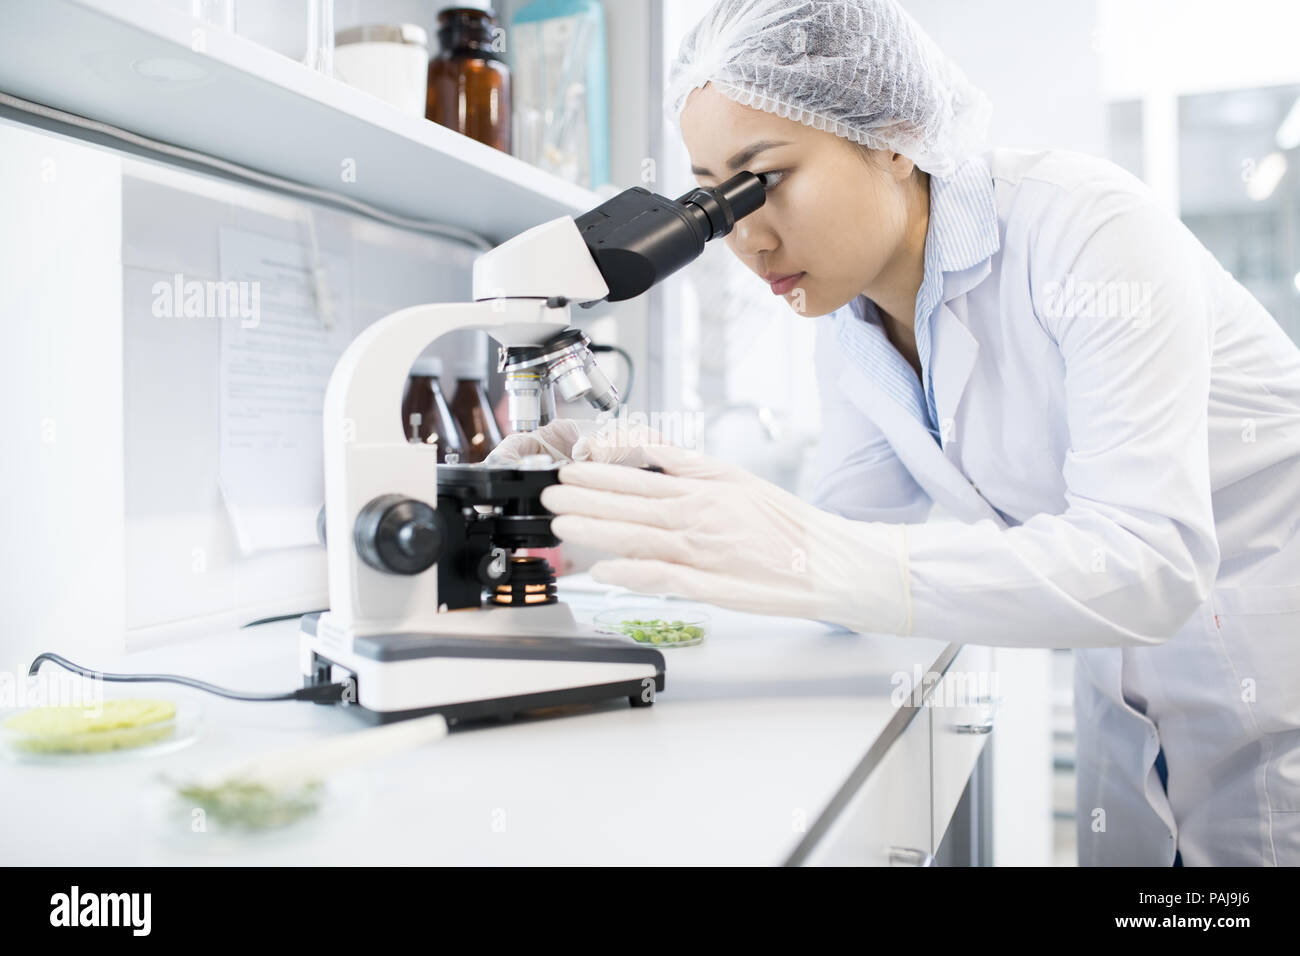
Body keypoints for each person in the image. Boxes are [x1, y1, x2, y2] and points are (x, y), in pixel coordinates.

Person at [487, 0, 1300, 866]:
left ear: (896, 133)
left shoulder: (1085, 229)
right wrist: (647, 494)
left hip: (1265, 668)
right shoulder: (852, 323)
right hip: (1129, 686)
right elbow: (847, 537)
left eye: (763, 179)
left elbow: (1151, 562)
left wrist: (803, 551)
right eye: (714, 200)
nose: (748, 238)